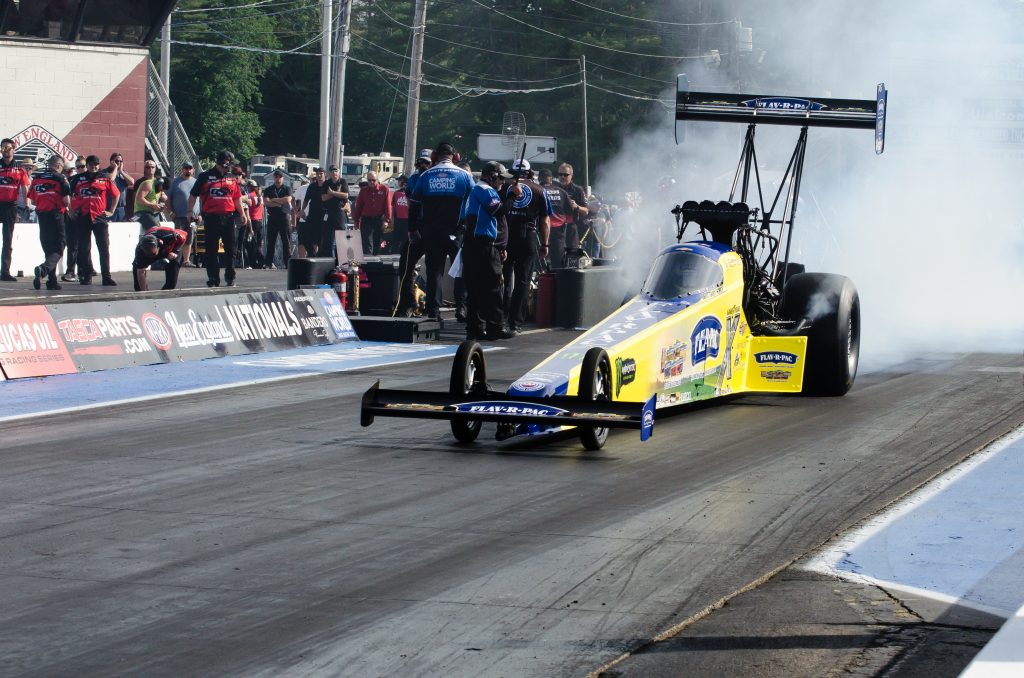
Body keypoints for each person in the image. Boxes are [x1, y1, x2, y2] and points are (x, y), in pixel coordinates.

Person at [410, 142, 473, 320]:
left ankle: (434, 311)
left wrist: (412, 229)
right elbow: (474, 203)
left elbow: (414, 205)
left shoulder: (426, 176)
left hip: (431, 232)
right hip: (457, 232)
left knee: (434, 272)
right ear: (455, 157)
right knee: (460, 269)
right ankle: (462, 307)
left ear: (435, 156)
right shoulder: (465, 175)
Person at [462, 161, 518, 340]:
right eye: (501, 178)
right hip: (484, 246)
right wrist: (513, 196)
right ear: (492, 176)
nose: (503, 182)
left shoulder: (476, 190)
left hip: (473, 245)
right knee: (493, 288)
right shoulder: (485, 190)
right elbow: (498, 211)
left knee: (475, 289)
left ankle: (475, 329)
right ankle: (495, 327)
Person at [500, 159, 550, 334]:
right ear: (530, 173)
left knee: (503, 279)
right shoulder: (539, 190)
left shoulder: (504, 187)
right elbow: (545, 221)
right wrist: (545, 243)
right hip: (528, 237)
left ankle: (500, 317)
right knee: (523, 280)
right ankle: (515, 322)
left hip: (506, 237)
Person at [187, 150, 247, 287]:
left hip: (229, 218)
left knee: (231, 249)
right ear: (224, 163)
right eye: (230, 164)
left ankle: (230, 277)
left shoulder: (232, 178)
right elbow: (193, 195)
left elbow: (236, 197)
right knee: (211, 250)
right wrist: (189, 211)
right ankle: (213, 278)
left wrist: (242, 214)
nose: (232, 166)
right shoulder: (204, 176)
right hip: (211, 218)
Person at [69, 155, 120, 285]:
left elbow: (116, 194)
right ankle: (87, 276)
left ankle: (106, 277)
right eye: (91, 164)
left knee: (103, 248)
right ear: (87, 165)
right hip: (83, 216)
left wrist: (111, 211)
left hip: (99, 217)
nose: (94, 166)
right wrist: (71, 210)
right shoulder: (77, 179)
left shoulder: (104, 178)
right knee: (84, 248)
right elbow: (67, 194)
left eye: (96, 164)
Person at [395, 150, 432, 316]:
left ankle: (434, 306)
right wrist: (412, 226)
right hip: (418, 225)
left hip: (435, 226)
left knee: (435, 267)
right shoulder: (414, 178)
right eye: (421, 162)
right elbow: (410, 200)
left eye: (427, 162)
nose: (423, 165)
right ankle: (408, 302)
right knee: (405, 265)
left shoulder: (434, 176)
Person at [28, 154, 71, 290]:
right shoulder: (60, 178)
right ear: (58, 165)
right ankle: (43, 269)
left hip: (42, 216)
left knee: (49, 249)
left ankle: (52, 281)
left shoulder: (37, 178)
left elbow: (33, 199)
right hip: (56, 215)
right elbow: (67, 200)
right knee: (59, 247)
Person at [0, 138, 31, 281]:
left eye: (8, 148)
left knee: (7, 240)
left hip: (10, 206)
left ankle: (5, 272)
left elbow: (25, 188)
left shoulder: (20, 169)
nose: (5, 150)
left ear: (13, 149)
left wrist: (27, 205)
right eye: (3, 147)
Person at [132, 225, 188, 291]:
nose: (151, 256)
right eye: (148, 254)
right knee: (138, 285)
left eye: (152, 254)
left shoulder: (170, 237)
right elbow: (140, 272)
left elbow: (184, 235)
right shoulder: (140, 251)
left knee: (172, 279)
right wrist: (144, 293)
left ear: (158, 246)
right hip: (152, 250)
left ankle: (166, 292)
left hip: (169, 249)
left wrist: (175, 251)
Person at [538, 168, 572, 270]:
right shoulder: (561, 191)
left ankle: (541, 277)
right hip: (559, 231)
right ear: (551, 178)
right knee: (558, 261)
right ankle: (557, 278)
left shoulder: (536, 190)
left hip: (541, 230)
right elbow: (570, 211)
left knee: (540, 261)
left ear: (539, 178)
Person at [352, 170, 390, 256]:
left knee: (378, 241)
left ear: (377, 179)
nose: (371, 182)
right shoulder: (363, 191)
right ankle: (368, 260)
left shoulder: (384, 189)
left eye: (373, 180)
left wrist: (387, 220)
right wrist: (356, 221)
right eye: (369, 180)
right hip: (366, 219)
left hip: (379, 219)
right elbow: (359, 207)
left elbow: (387, 206)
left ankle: (377, 260)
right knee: (366, 242)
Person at [61, 156, 87, 281]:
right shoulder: (72, 181)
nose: (80, 169)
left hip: (87, 216)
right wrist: (70, 211)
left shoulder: (94, 179)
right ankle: (71, 271)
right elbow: (67, 197)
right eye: (78, 167)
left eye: (83, 166)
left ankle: (84, 271)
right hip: (73, 216)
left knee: (84, 245)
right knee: (72, 244)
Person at [556, 162, 588, 260]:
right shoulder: (554, 188)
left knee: (572, 258)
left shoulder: (578, 190)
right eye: (560, 174)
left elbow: (586, 210)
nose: (562, 177)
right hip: (556, 229)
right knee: (556, 258)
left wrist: (576, 206)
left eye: (565, 175)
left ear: (571, 175)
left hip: (571, 228)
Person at [168, 162, 197, 266]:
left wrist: (200, 214)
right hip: (178, 216)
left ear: (193, 170)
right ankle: (176, 260)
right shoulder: (175, 182)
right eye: (186, 168)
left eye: (190, 168)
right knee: (178, 238)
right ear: (182, 169)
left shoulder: (196, 182)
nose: (188, 170)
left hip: (192, 217)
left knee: (189, 238)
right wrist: (170, 212)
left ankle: (186, 260)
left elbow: (200, 199)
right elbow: (168, 199)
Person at [263, 169, 292, 268]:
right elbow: (267, 202)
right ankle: (268, 263)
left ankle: (287, 263)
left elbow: (287, 200)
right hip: (272, 218)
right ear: (274, 178)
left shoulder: (287, 188)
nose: (278, 179)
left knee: (286, 241)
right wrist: (280, 202)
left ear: (282, 178)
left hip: (284, 217)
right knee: (271, 241)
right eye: (276, 177)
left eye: (280, 177)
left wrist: (274, 200)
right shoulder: (268, 189)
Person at [321, 164, 349, 260]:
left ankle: (341, 259)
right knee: (328, 238)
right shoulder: (326, 183)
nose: (334, 173)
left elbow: (345, 195)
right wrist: (337, 193)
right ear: (329, 173)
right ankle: (329, 259)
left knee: (341, 237)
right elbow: (323, 198)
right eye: (332, 171)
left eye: (336, 171)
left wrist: (332, 193)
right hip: (329, 212)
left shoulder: (342, 181)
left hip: (339, 212)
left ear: (339, 172)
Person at [300, 167, 327, 256]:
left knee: (321, 239)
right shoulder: (312, 186)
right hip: (312, 214)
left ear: (325, 175)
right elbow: (306, 199)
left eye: (321, 174)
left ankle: (319, 256)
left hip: (324, 215)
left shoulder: (328, 185)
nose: (319, 175)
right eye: (317, 174)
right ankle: (312, 255)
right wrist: (302, 210)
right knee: (305, 237)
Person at [132, 160, 165, 231]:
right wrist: (153, 205)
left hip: (154, 212)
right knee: (156, 230)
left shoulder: (158, 182)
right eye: (148, 167)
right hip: (142, 212)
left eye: (152, 167)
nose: (150, 169)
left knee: (157, 231)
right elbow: (138, 199)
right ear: (144, 168)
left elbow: (162, 196)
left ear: (155, 169)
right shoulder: (143, 182)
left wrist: (162, 202)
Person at [102, 152, 134, 222]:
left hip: (121, 208)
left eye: (120, 161)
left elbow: (132, 182)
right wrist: (116, 168)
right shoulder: (104, 172)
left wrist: (121, 171)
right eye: (116, 161)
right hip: (109, 208)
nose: (119, 163)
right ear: (111, 162)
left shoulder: (123, 172)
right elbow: (111, 179)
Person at [388, 175, 409, 255]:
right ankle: (396, 254)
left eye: (399, 181)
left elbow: (393, 208)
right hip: (400, 220)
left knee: (400, 240)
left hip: (404, 221)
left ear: (402, 181)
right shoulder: (397, 193)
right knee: (398, 240)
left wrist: (392, 220)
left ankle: (399, 254)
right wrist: (392, 220)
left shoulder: (409, 192)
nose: (398, 182)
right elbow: (393, 207)